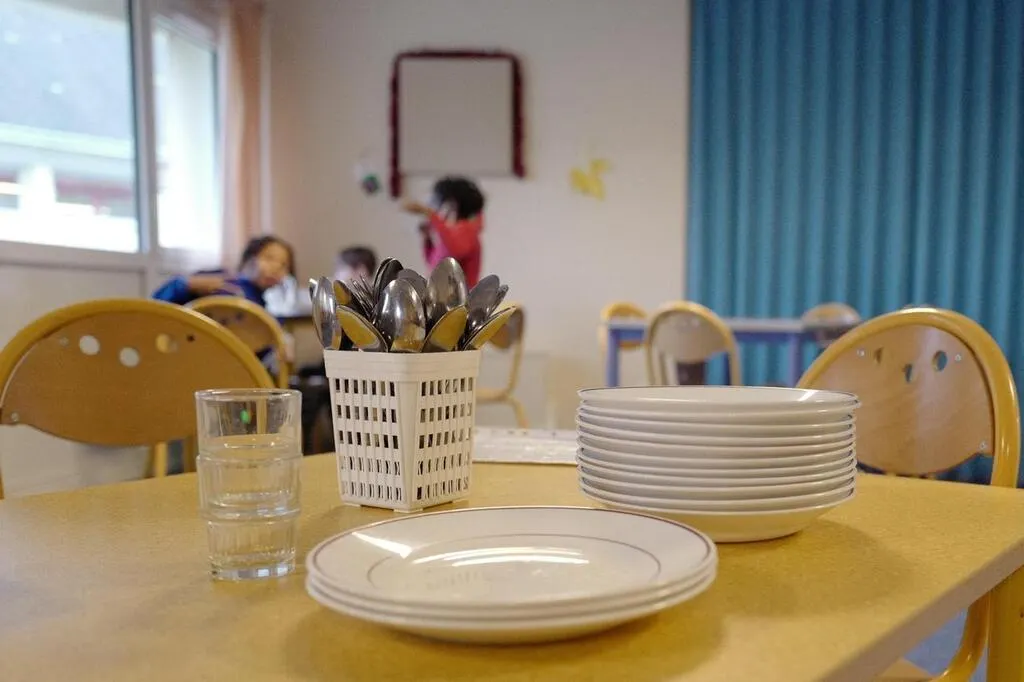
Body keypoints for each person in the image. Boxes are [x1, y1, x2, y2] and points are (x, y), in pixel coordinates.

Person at [152, 235, 295, 308]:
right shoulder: (222, 280)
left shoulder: (262, 304)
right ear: (248, 259)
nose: (276, 268)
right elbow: (157, 300)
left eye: (283, 265)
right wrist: (188, 285)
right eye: (269, 258)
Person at [402, 176, 485, 287]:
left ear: (451, 204)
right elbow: (434, 265)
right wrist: (427, 239)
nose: (437, 208)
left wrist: (430, 214)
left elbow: (455, 250)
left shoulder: (467, 229)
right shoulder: (451, 233)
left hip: (461, 297)